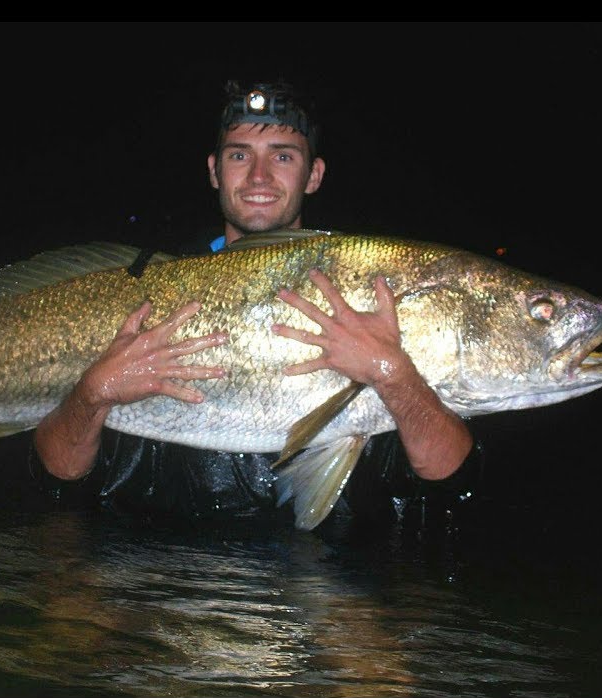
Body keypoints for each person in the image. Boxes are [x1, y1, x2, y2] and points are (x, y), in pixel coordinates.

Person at [31, 80, 477, 529]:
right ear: (214, 171)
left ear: (314, 174)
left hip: (320, 584)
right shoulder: (145, 300)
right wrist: (91, 394)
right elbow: (59, 477)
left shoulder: (369, 309)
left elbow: (454, 488)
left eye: (283, 156)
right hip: (149, 578)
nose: (259, 177)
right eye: (239, 155)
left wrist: (394, 375)